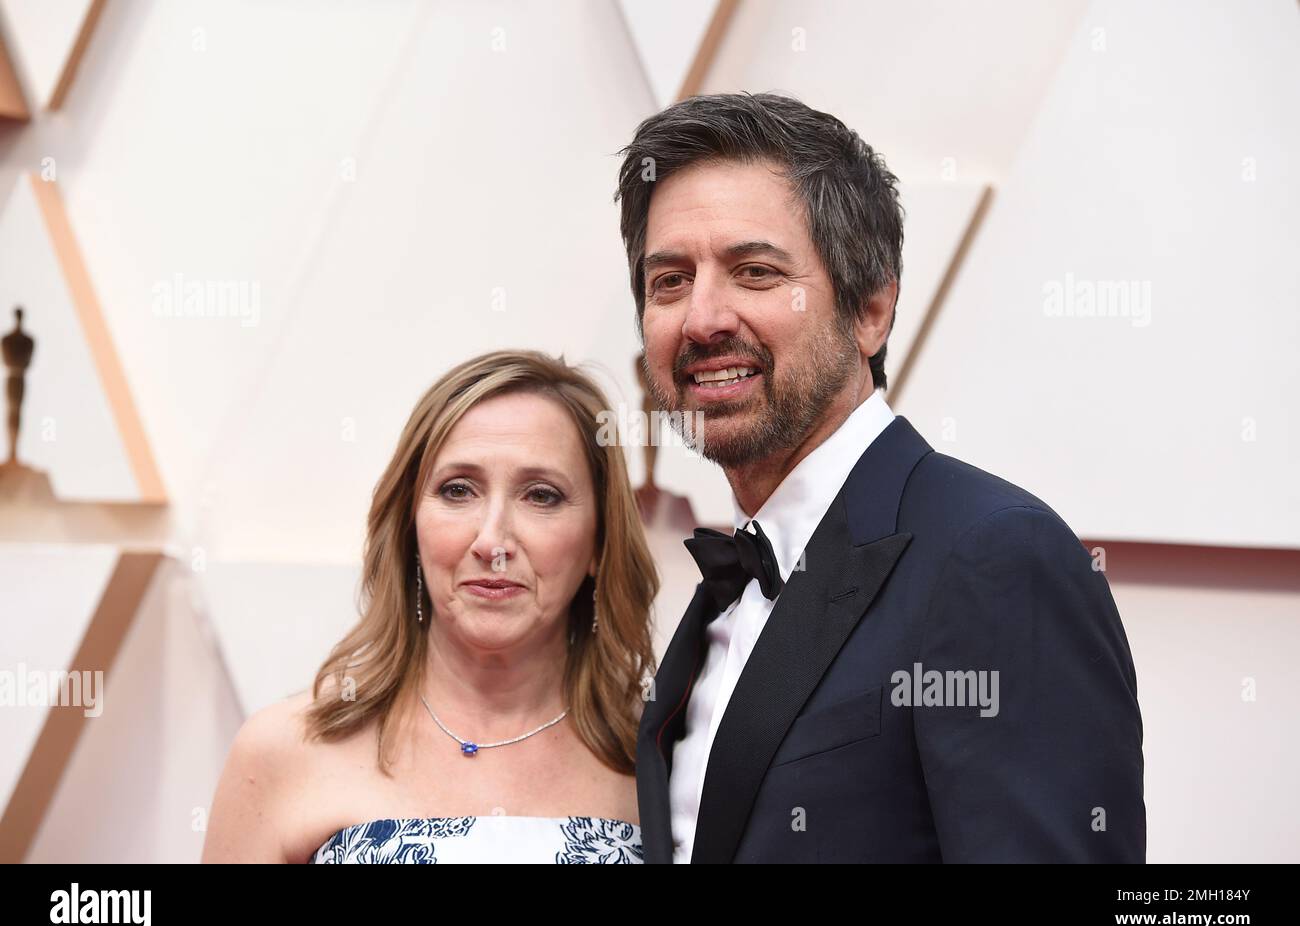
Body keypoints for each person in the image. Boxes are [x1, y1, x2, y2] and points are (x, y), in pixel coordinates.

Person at [616, 92, 1145, 863]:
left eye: (754, 271)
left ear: (871, 309)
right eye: (669, 281)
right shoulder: (723, 595)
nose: (701, 319)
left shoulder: (995, 557)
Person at [202, 350, 658, 863]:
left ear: (599, 540)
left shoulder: (664, 762)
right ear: (409, 524)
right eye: (458, 490)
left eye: (542, 495)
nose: (493, 541)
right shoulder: (283, 751)